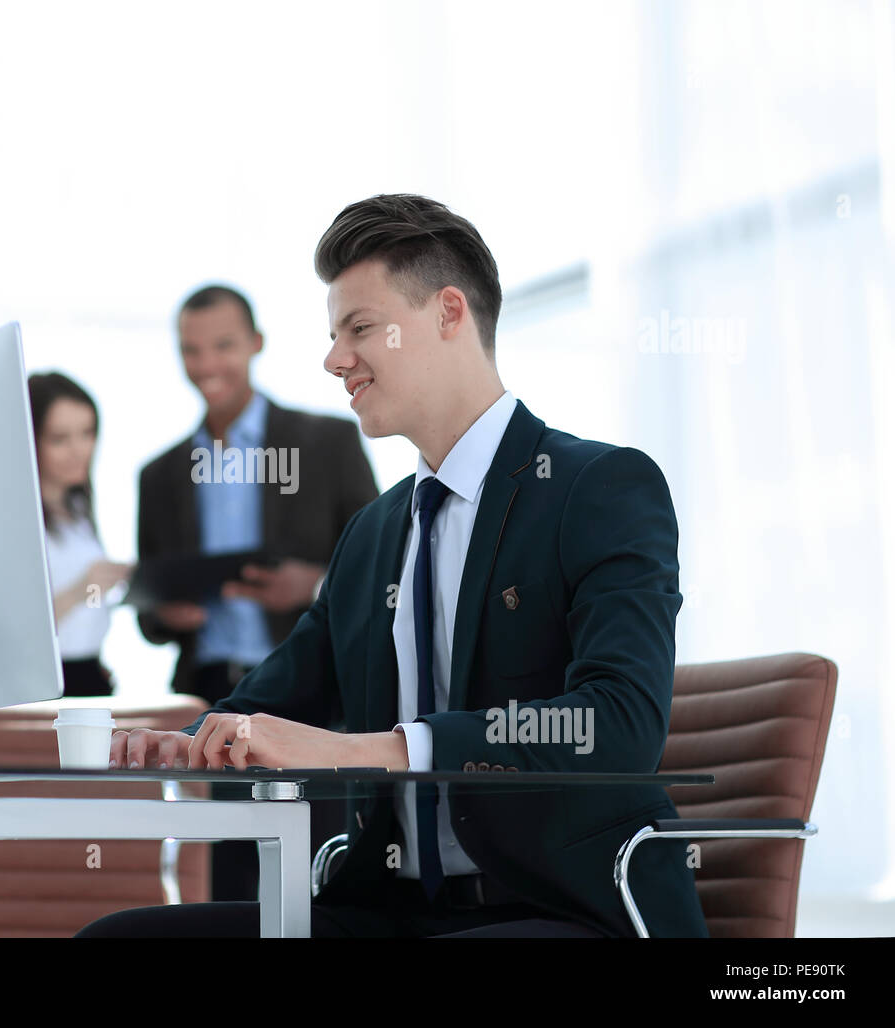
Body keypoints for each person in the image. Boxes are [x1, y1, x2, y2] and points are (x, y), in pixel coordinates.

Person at [79, 194, 708, 938]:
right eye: (332, 333)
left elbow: (620, 722)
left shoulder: (598, 488)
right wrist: (195, 741)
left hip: (560, 907)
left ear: (448, 313)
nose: (334, 358)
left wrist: (378, 751)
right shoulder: (375, 532)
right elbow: (279, 700)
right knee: (118, 939)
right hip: (389, 907)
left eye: (360, 329)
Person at [135, 284, 380, 900]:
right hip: (211, 693)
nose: (206, 365)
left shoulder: (324, 443)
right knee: (227, 880)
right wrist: (164, 611)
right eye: (190, 350)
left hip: (310, 700)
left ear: (256, 344)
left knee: (316, 873)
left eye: (222, 346)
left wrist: (312, 584)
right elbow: (149, 611)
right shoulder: (161, 474)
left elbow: (385, 573)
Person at [29, 372, 129, 698]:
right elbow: (11, 635)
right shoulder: (19, 522)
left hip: (89, 675)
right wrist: (83, 590)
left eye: (87, 433)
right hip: (45, 686)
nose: (79, 450)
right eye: (59, 439)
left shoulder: (78, 511)